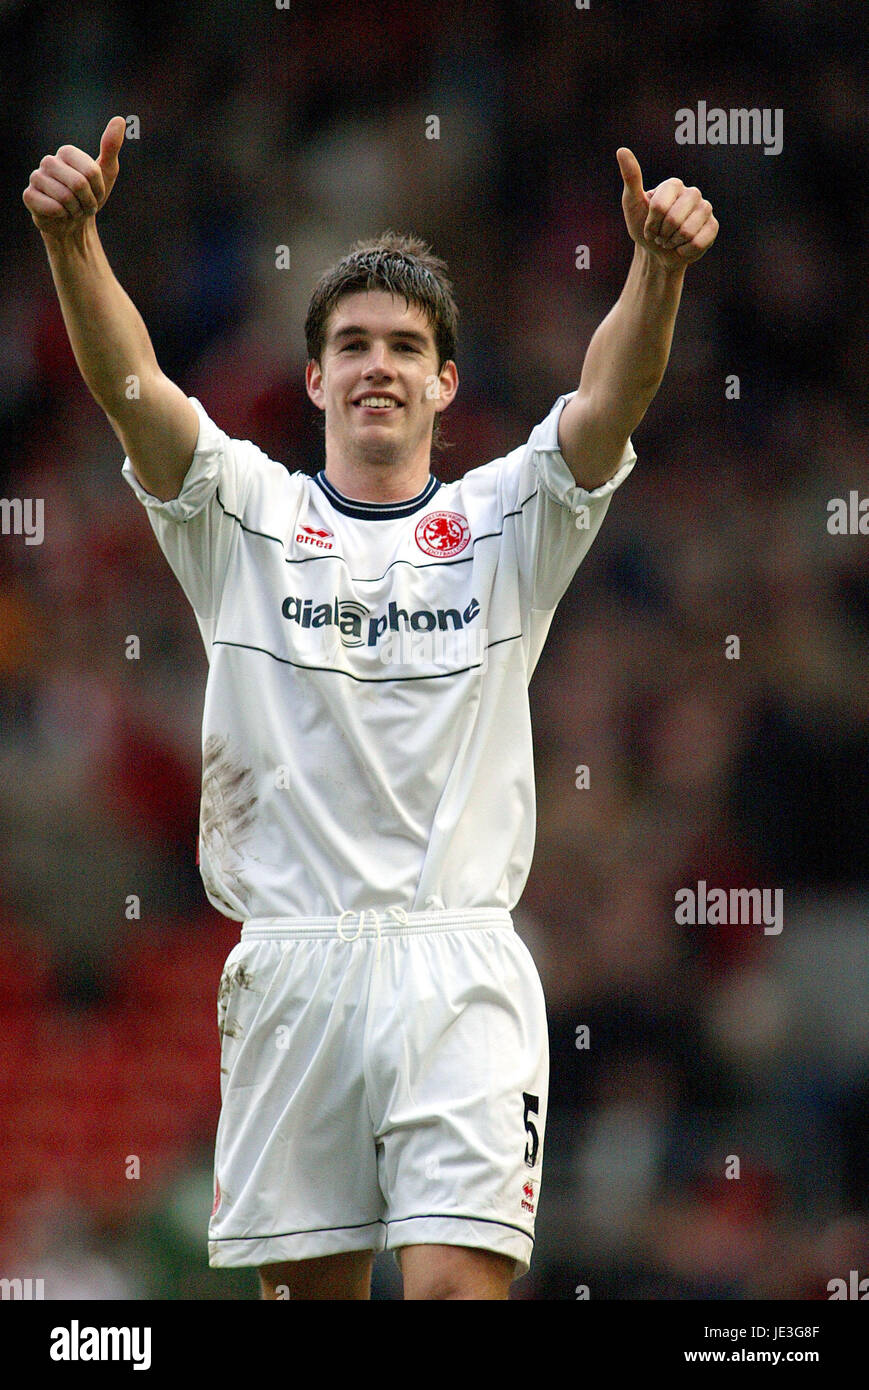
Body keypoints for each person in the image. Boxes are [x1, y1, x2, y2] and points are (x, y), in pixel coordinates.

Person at [23, 116, 718, 1301]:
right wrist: (74, 245)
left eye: (404, 344)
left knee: (454, 1290)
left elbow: (612, 397)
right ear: (313, 377)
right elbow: (130, 387)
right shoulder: (241, 514)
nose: (376, 364)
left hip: (458, 969)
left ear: (446, 379)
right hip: (293, 969)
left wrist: (654, 269)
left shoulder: (508, 519)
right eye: (350, 344)